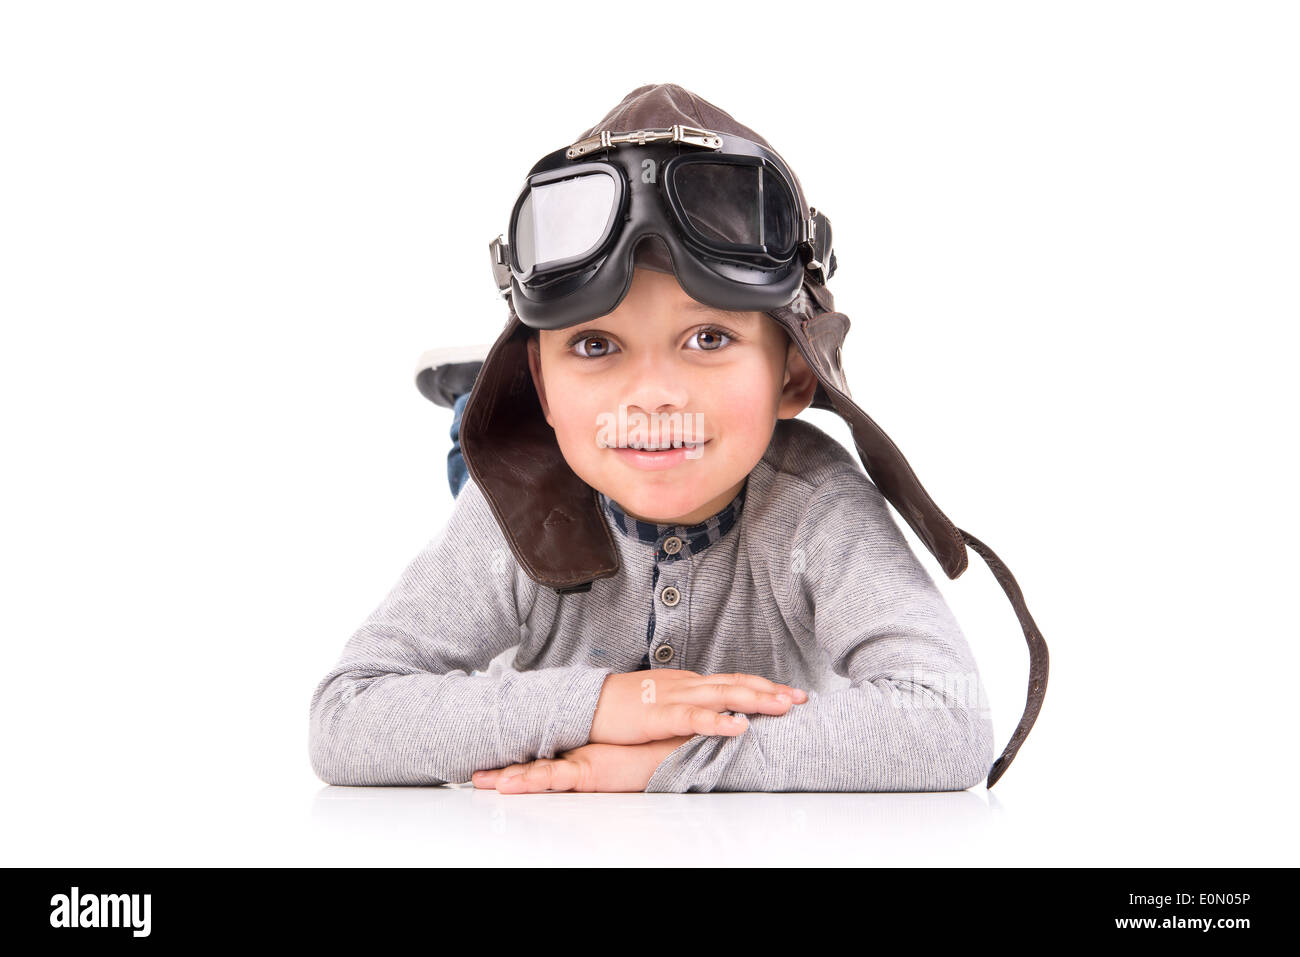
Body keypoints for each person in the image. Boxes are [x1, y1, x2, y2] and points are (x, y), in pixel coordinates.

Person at [309, 83, 1046, 794]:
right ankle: (474, 398)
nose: (654, 390)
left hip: (599, 438)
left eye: (707, 336)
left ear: (793, 376)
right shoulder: (512, 512)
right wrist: (606, 704)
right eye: (596, 345)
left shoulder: (817, 509)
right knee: (481, 462)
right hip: (554, 461)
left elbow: (950, 719)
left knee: (605, 433)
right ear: (538, 381)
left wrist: (668, 761)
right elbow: (345, 717)